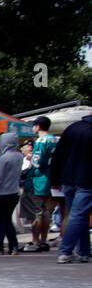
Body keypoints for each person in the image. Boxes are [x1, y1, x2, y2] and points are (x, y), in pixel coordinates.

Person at [50, 110, 92, 263]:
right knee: (79, 216)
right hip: (87, 180)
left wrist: (54, 178)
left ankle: (84, 251)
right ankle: (66, 251)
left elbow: (58, 155)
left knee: (77, 216)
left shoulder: (72, 128)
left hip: (68, 179)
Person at [26, 115, 58, 251]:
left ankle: (35, 241)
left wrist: (30, 157)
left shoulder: (41, 141)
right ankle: (43, 240)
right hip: (51, 179)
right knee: (46, 212)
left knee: (37, 212)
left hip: (39, 179)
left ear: (37, 126)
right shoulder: (54, 140)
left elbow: (37, 162)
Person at [0, 132, 22, 255]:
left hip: (0, 194)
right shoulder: (19, 156)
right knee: (7, 221)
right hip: (14, 193)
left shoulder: (3, 158)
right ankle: (14, 246)